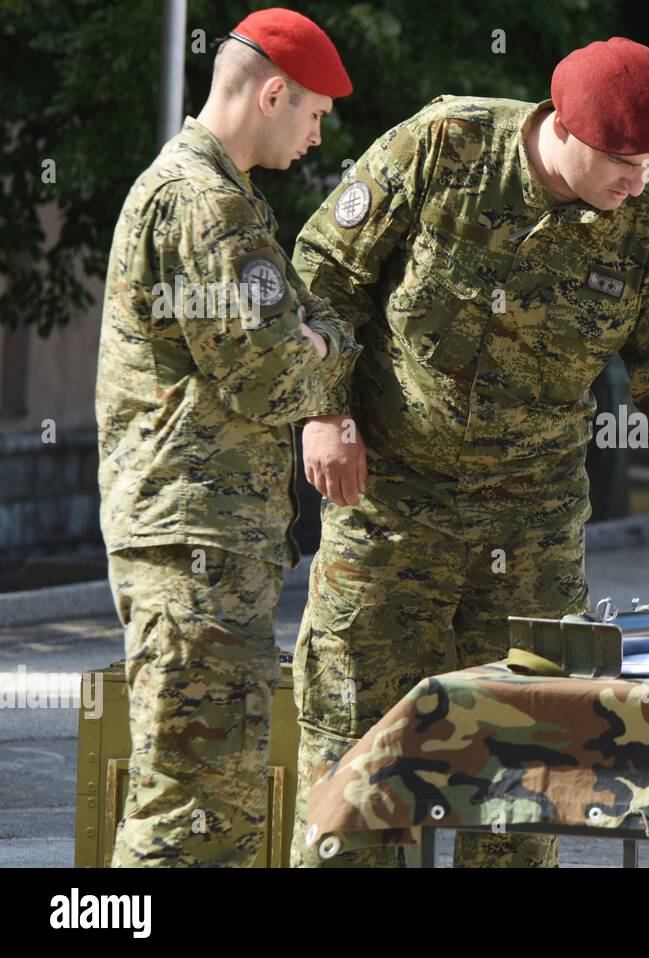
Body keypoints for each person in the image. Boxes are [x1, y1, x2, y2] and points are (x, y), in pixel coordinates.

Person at [290, 37, 649, 868]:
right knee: (356, 770)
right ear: (565, 127)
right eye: (625, 162)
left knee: (523, 786)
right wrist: (321, 413)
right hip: (389, 516)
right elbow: (323, 273)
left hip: (529, 538)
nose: (640, 184)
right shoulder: (445, 147)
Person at [96, 8, 358, 866]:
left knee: (223, 800)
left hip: (209, 539)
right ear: (273, 92)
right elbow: (273, 373)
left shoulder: (222, 198)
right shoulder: (204, 205)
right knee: (187, 803)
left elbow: (288, 339)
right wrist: (332, 343)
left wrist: (309, 334)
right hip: (191, 539)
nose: (319, 136)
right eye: (314, 114)